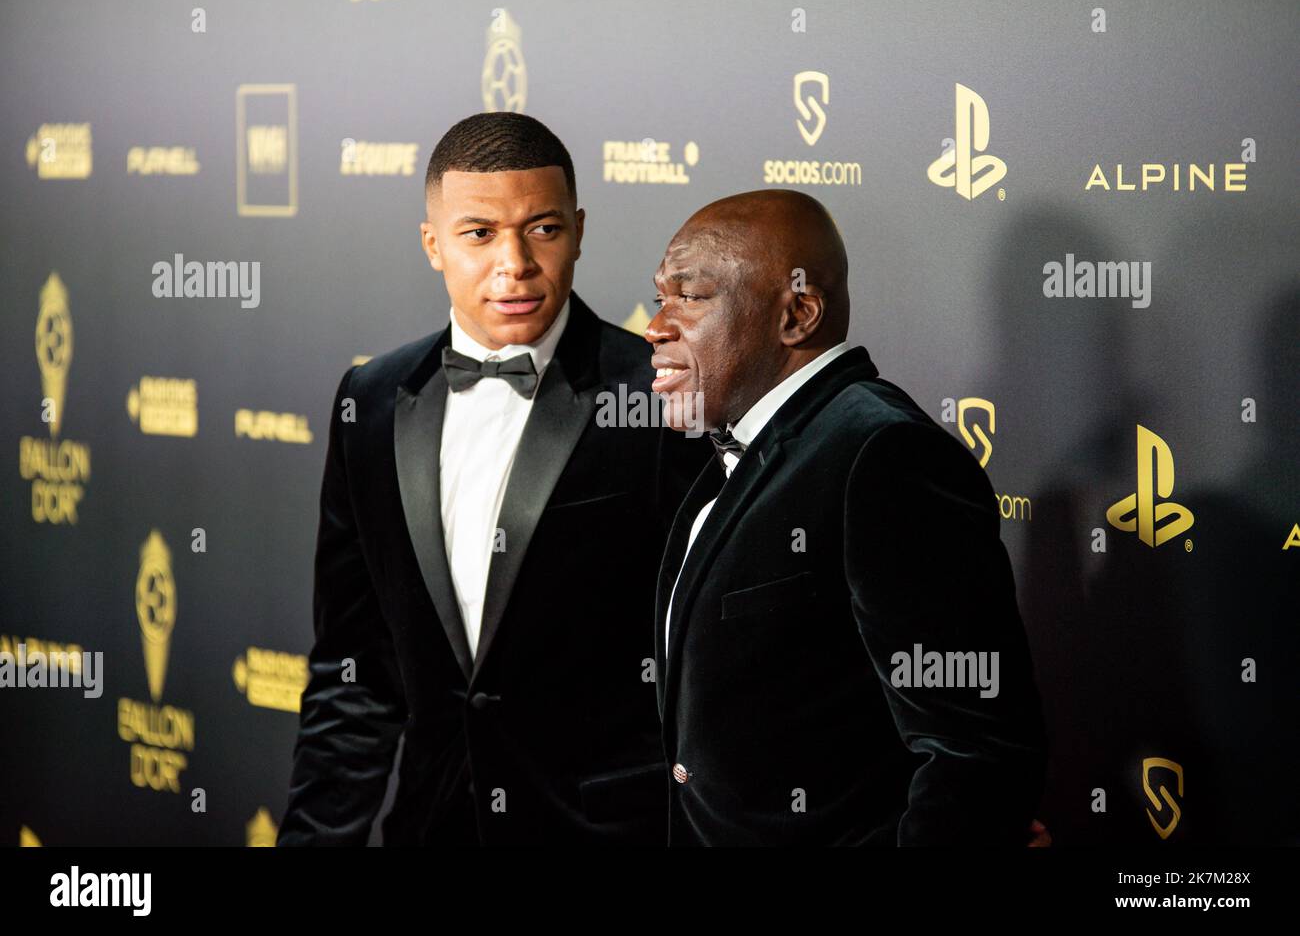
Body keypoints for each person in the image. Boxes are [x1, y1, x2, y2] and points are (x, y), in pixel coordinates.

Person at [278, 112, 707, 846]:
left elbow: (713, 668)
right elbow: (356, 673)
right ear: (432, 244)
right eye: (479, 233)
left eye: (543, 229)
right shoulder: (371, 401)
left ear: (578, 230)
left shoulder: (664, 395)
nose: (515, 263)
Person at [644, 189, 1049, 845]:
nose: (656, 325)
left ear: (798, 314)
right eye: (661, 295)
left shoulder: (883, 456)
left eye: (689, 296)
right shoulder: (745, 443)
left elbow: (973, 753)